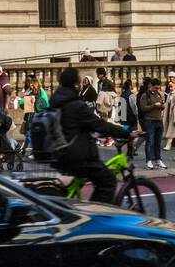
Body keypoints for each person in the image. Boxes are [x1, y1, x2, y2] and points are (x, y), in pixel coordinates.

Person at [50, 67, 133, 204]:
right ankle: (93, 215)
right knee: (108, 181)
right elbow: (100, 125)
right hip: (78, 157)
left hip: (60, 155)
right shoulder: (76, 105)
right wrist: (126, 132)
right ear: (75, 84)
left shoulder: (55, 102)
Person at [138, 77, 167, 170]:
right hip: (149, 121)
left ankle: (158, 159)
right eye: (156, 88)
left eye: (158, 88)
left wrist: (162, 106)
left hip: (159, 120)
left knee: (158, 142)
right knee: (150, 141)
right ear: (151, 86)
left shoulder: (159, 94)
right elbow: (143, 108)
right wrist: (154, 105)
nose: (157, 89)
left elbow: (162, 106)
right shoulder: (145, 95)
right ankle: (148, 161)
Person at [162, 74, 175, 150]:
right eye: (169, 86)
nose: (170, 88)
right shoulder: (170, 93)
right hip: (169, 113)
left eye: (171, 86)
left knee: (171, 130)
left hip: (174, 113)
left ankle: (168, 145)